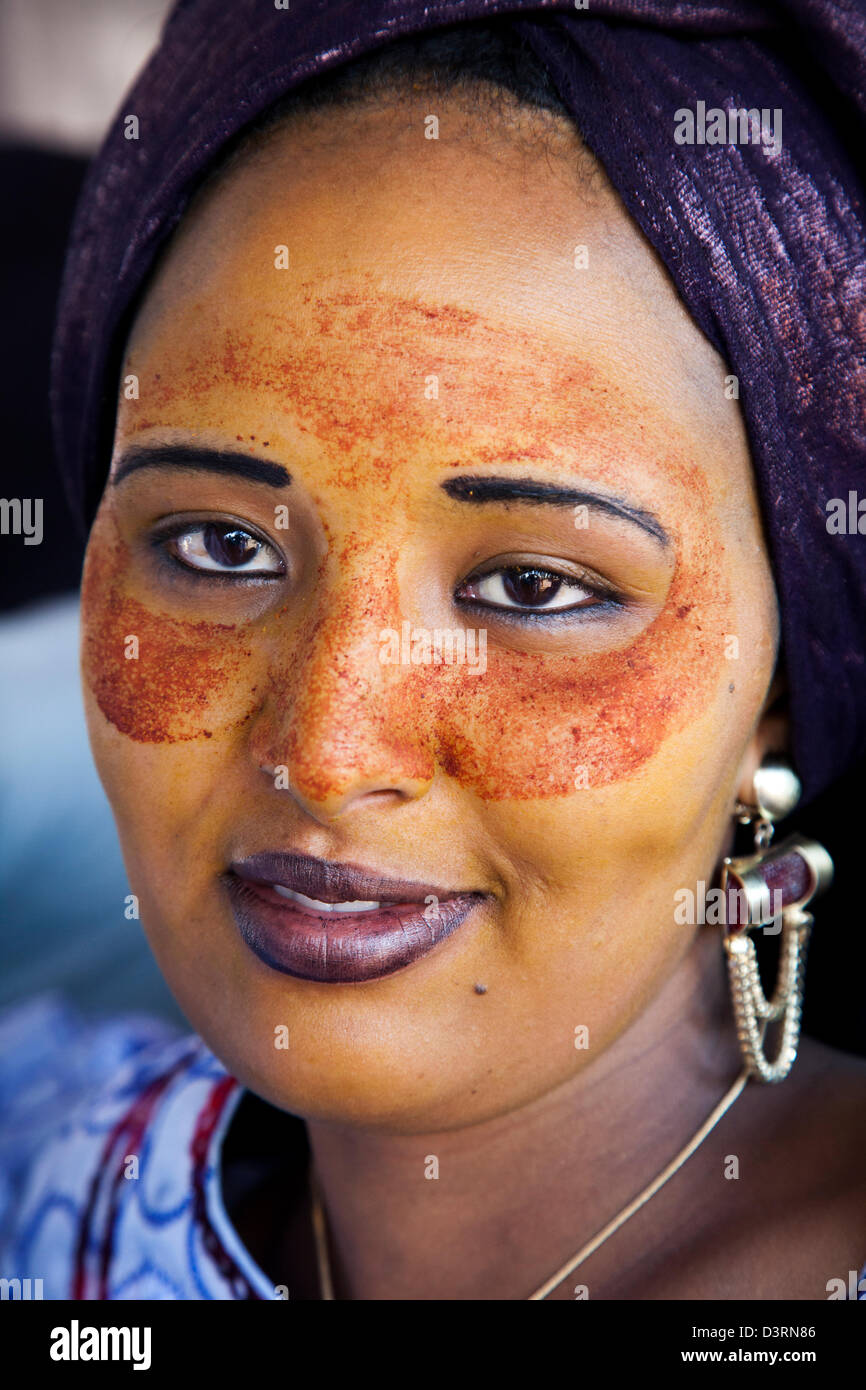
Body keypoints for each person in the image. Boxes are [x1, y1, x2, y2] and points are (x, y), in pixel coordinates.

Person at [2, 1, 866, 1301]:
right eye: (219, 548)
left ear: (780, 682)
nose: (326, 754)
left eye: (531, 584)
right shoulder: (42, 1173)